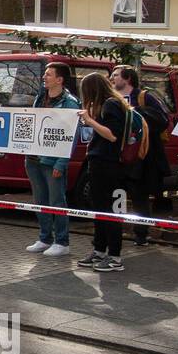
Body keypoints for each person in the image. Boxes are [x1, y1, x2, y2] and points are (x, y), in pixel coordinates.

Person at [110, 64, 171, 246]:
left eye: (116, 75)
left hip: (140, 157)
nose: (112, 78)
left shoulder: (145, 97)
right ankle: (115, 231)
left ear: (127, 78)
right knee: (116, 194)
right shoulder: (111, 98)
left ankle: (141, 233)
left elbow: (162, 120)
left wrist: (135, 113)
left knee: (139, 197)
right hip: (116, 155)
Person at [76, 72, 130, 272]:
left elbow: (112, 135)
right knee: (99, 208)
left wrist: (90, 120)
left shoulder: (110, 105)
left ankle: (115, 256)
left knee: (109, 210)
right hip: (99, 162)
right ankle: (99, 250)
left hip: (108, 164)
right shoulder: (109, 104)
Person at [25, 62, 79, 256]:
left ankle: (62, 241)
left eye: (48, 75)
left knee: (57, 201)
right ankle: (44, 238)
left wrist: (61, 162)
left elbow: (70, 136)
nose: (44, 77)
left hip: (53, 161)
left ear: (60, 79)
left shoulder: (70, 103)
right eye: (45, 74)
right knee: (40, 200)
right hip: (33, 158)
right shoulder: (41, 98)